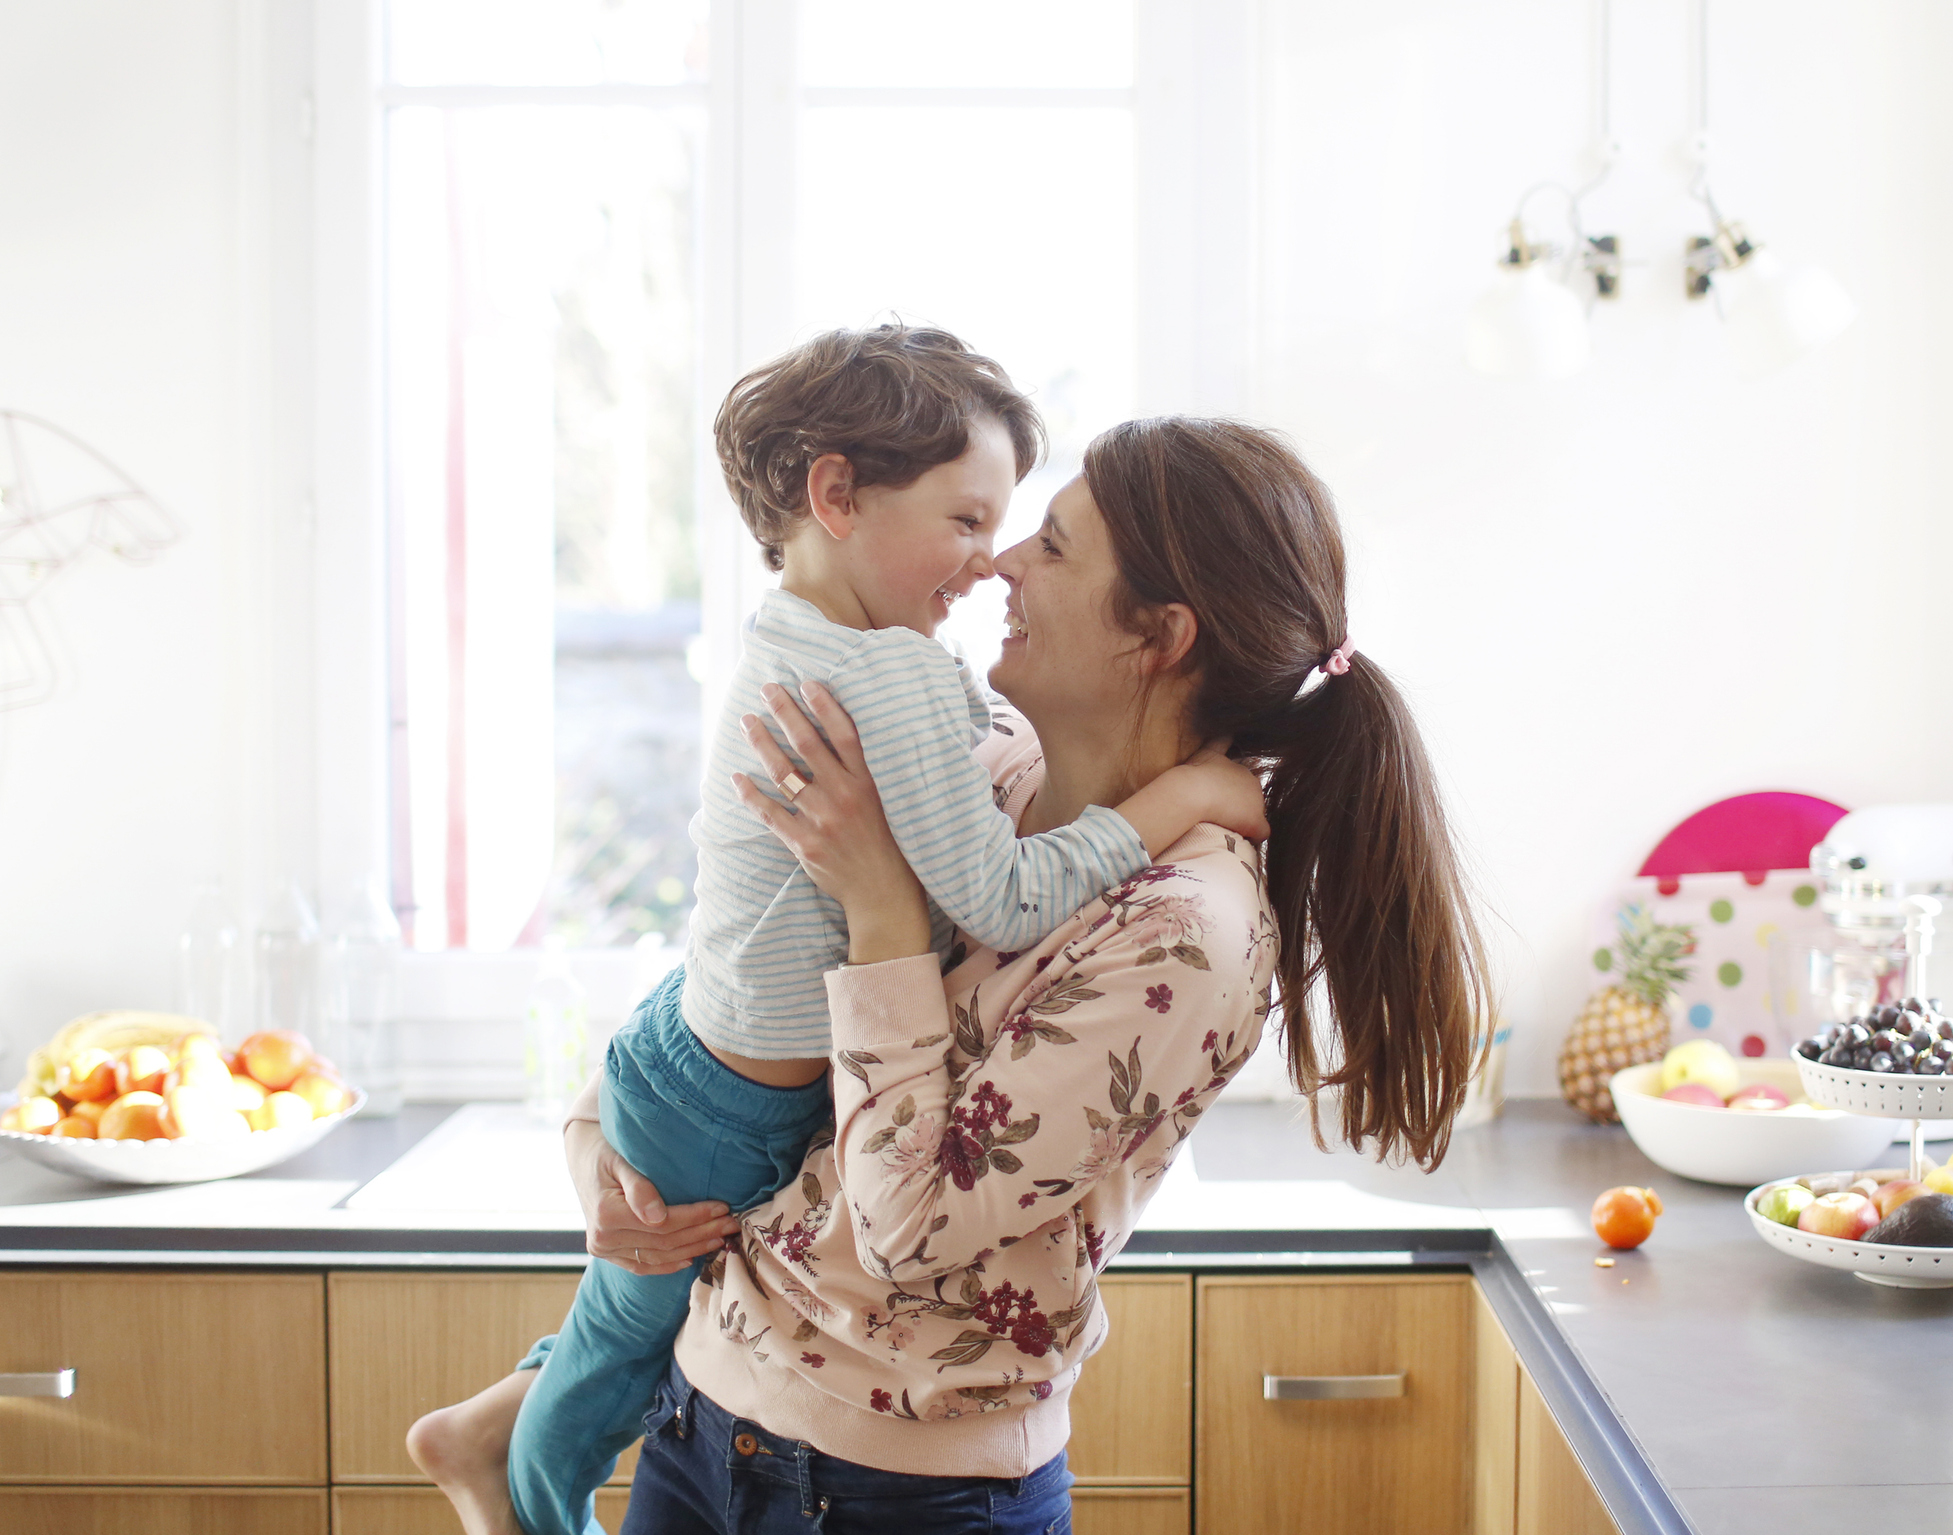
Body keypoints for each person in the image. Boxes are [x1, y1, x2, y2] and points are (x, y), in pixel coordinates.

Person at [416, 415, 1489, 1534]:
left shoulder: (1189, 930)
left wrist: (884, 904)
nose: (1002, 562)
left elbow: (909, 1225)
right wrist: (599, 1152)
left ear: (1161, 634)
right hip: (702, 1413)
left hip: (902, 1494)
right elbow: (747, 971)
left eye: (1056, 546)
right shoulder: (991, 766)